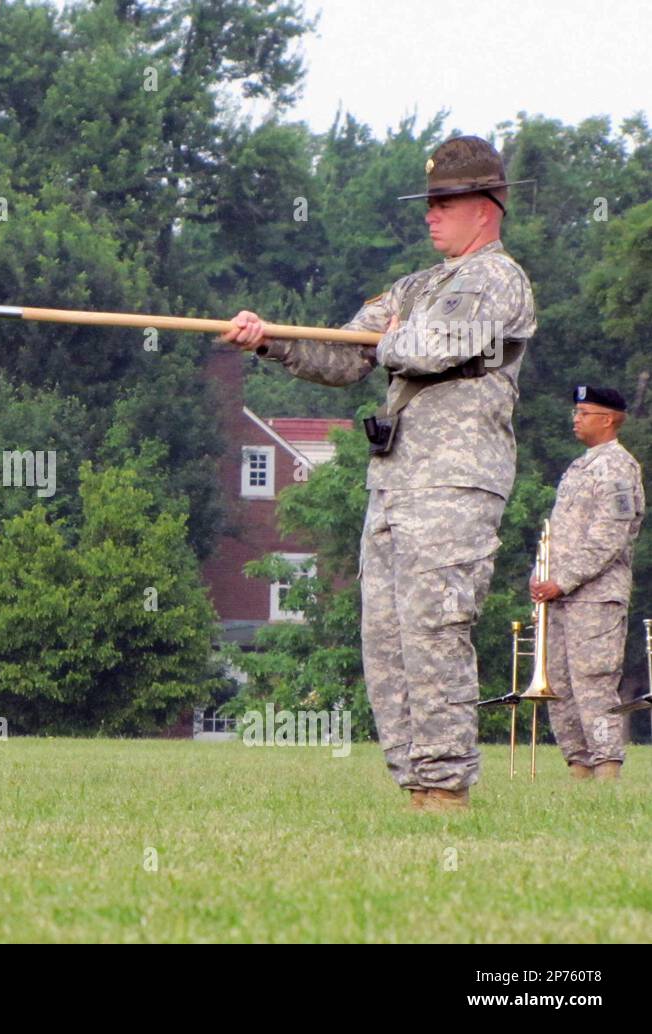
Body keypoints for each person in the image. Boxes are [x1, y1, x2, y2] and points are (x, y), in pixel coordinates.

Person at [223, 136, 537, 812]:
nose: (430, 215)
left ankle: (447, 787)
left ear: (485, 206)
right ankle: (417, 786)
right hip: (395, 482)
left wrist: (391, 336)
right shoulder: (418, 287)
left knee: (435, 628)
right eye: (427, 203)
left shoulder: (497, 279)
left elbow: (435, 346)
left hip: (455, 484)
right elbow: (343, 355)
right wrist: (270, 339)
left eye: (443, 202)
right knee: (388, 639)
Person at [531, 386, 645, 781]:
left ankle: (607, 772)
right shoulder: (580, 466)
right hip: (561, 597)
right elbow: (560, 532)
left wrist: (562, 580)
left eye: (584, 412)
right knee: (560, 687)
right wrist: (542, 575)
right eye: (575, 412)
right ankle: (579, 772)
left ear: (609, 419)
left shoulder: (617, 467)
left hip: (595, 599)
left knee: (593, 685)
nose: (575, 419)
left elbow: (608, 537)